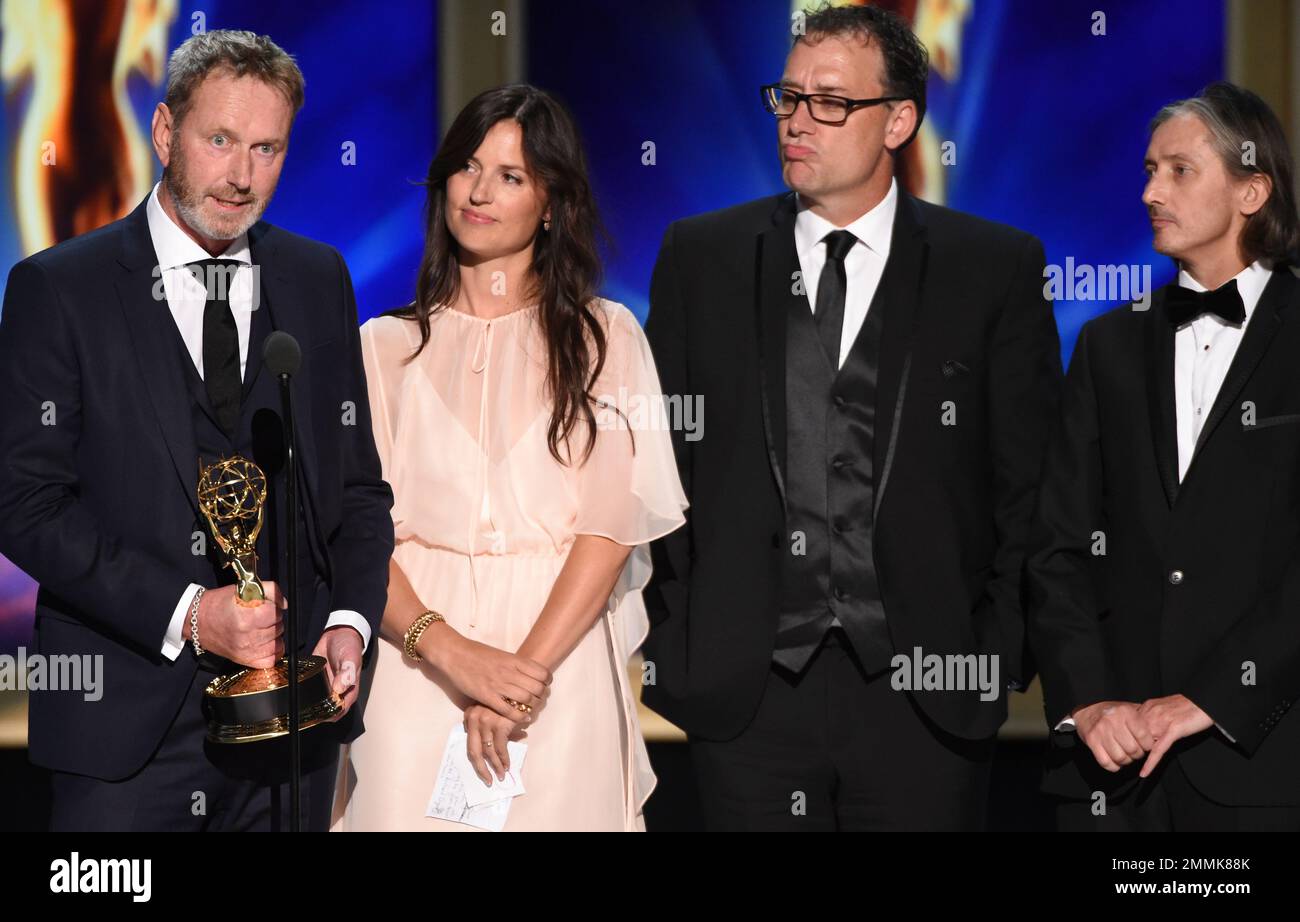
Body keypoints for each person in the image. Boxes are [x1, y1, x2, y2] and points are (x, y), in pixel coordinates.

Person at [642, 3, 1061, 830]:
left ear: (900, 120)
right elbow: (658, 468)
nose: (798, 121)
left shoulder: (993, 268)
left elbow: (1030, 487)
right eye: (788, 97)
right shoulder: (701, 258)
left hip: (930, 691)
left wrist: (995, 652)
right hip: (745, 694)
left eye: (830, 102)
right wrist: (677, 641)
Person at [0, 30, 394, 831]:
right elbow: (24, 503)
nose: (242, 175)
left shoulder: (317, 281)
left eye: (267, 148)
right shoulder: (60, 289)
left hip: (290, 733)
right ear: (166, 133)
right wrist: (189, 612)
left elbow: (357, 489)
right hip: (124, 736)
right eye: (220, 140)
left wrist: (350, 623)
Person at [330, 84, 688, 832]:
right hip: (415, 666)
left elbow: (611, 528)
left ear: (553, 203)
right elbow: (359, 536)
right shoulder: (380, 349)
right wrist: (453, 654)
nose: (479, 190)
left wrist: (519, 679)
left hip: (557, 671)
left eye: (512, 175)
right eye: (466, 166)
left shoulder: (607, 339)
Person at [1027, 81, 1300, 831]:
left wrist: (1216, 698)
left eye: (1179, 170)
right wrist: (1087, 702)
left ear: (1252, 190)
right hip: (1112, 778)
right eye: (1148, 170)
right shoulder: (1108, 344)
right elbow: (1057, 547)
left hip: (1265, 767)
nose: (1151, 190)